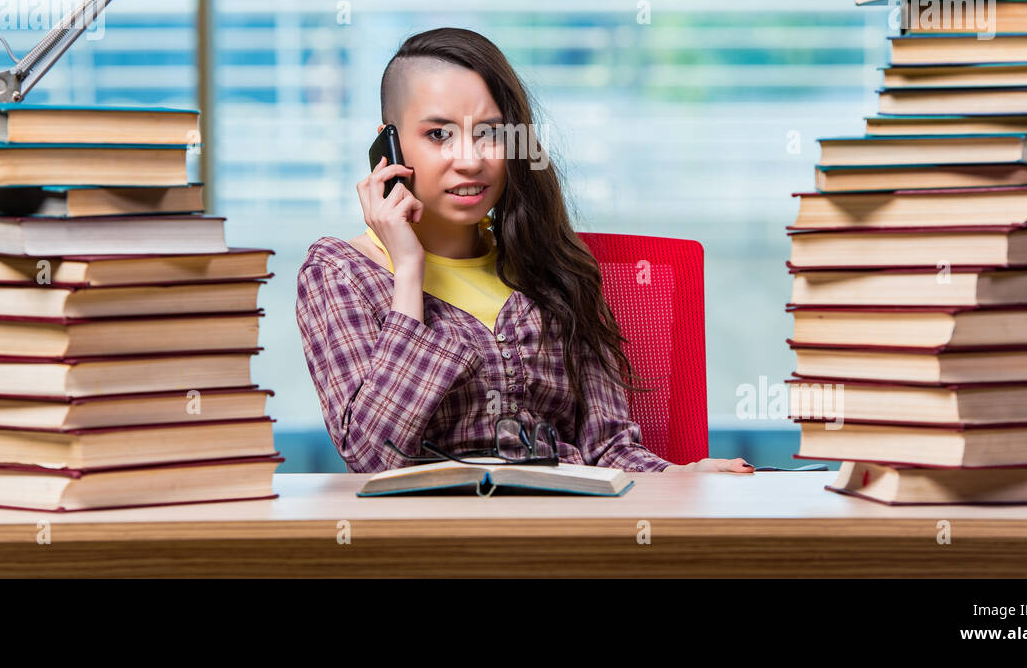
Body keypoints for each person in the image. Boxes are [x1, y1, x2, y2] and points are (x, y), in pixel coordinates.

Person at [294, 27, 754, 475]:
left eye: (489, 133)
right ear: (387, 146)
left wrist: (677, 474)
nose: (470, 159)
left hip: (565, 529)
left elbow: (609, 450)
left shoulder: (550, 263)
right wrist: (409, 270)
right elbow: (375, 457)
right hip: (432, 540)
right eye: (439, 135)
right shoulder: (340, 274)